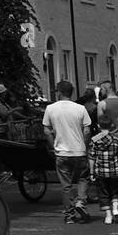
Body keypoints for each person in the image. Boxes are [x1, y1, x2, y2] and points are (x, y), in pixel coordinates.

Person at [42, 79, 92, 223]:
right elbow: (87, 130)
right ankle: (81, 201)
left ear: (59, 92)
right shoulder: (80, 109)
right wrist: (85, 144)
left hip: (62, 152)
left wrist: (53, 146)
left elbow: (46, 131)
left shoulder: (50, 109)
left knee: (66, 185)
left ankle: (69, 215)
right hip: (79, 151)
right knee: (83, 178)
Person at [88, 112, 118, 224]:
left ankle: (108, 216)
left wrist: (91, 172)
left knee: (103, 193)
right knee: (115, 191)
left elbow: (92, 157)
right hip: (114, 171)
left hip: (101, 172)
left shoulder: (95, 140)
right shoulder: (117, 141)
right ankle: (115, 209)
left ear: (99, 126)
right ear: (111, 126)